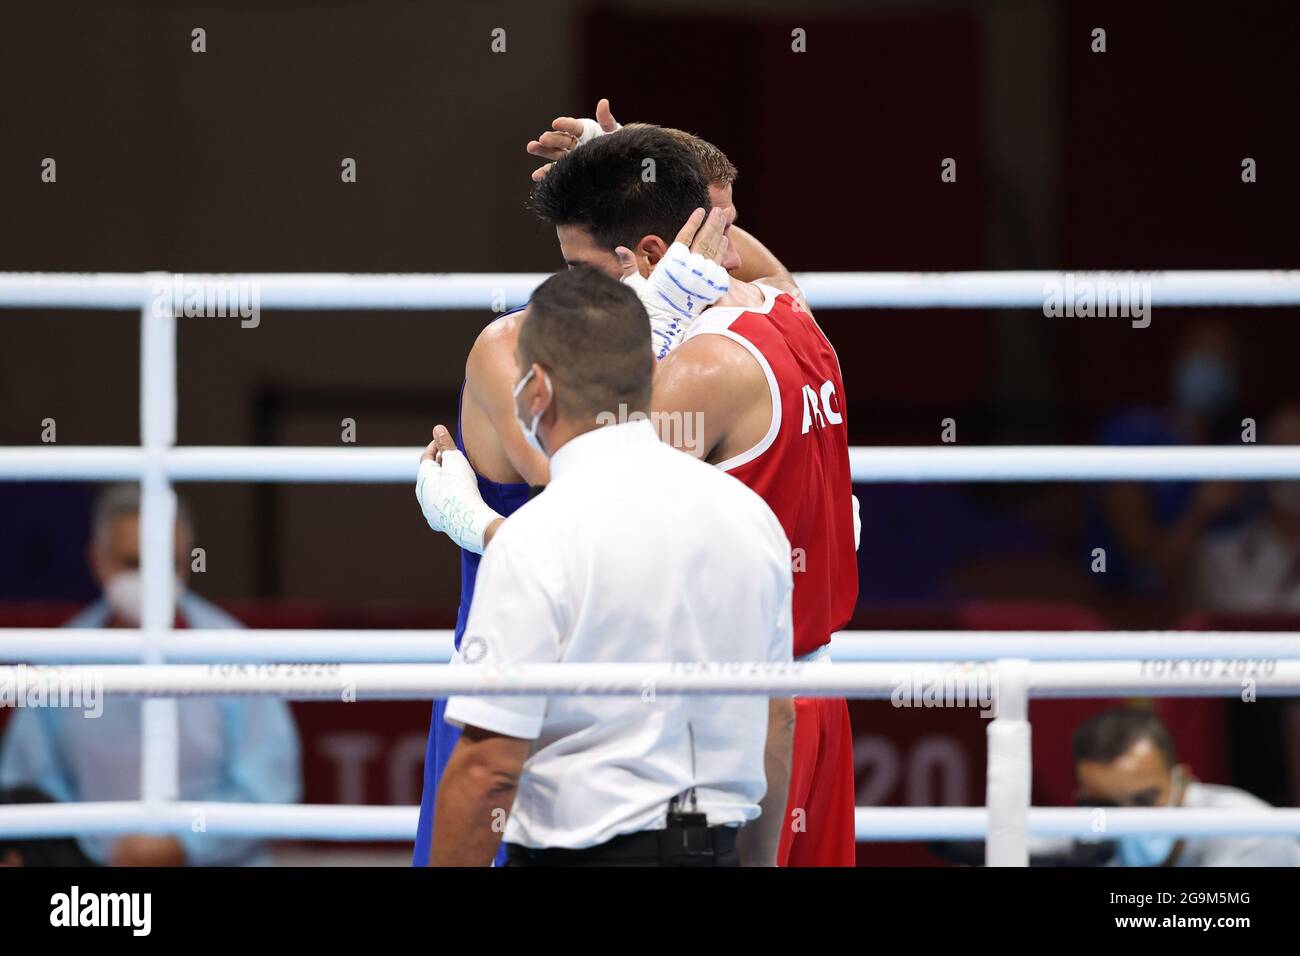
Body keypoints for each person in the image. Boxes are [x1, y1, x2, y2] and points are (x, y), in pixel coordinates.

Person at [421, 122, 860, 865]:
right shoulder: (789, 318)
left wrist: (468, 518)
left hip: (652, 726)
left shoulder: (703, 366)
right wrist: (631, 165)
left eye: (581, 265)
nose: (567, 283)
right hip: (562, 705)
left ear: (653, 252)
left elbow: (590, 501)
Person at [427, 267, 794, 866]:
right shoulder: (752, 520)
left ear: (534, 391)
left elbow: (489, 771)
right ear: (652, 375)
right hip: (715, 849)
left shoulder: (535, 540)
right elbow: (777, 721)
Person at [0, 484, 302, 866]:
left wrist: (183, 844)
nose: (150, 578)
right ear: (98, 560)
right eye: (133, 562)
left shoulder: (233, 651)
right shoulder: (58, 659)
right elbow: (29, 782)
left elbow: (267, 786)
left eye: (167, 563)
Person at [1074, 707, 1300, 866]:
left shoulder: (1250, 835)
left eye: (1144, 799)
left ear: (1181, 781)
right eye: (1105, 804)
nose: (1128, 818)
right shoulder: (1087, 837)